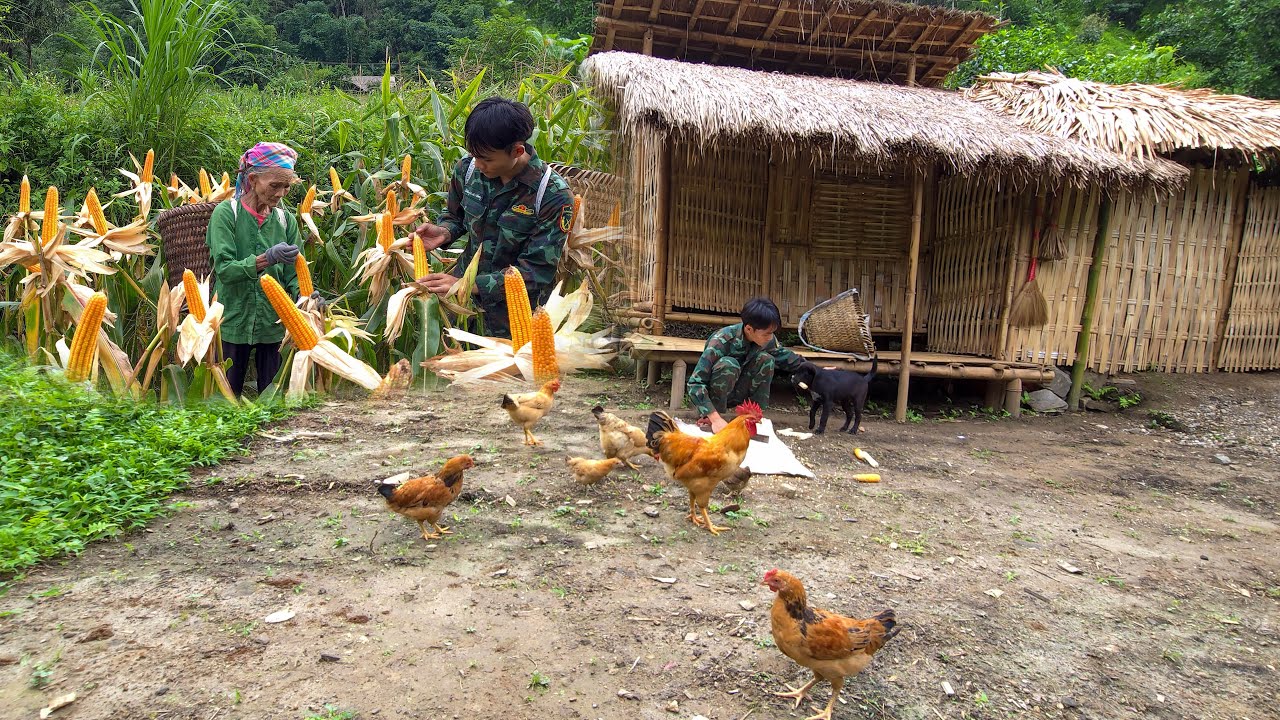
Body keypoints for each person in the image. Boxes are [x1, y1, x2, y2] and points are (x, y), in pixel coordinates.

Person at [411, 97, 573, 338]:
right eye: (473, 155)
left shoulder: (552, 195)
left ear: (517, 151)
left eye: (486, 159)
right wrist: (444, 232)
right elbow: (455, 217)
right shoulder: (467, 170)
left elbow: (536, 271)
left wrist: (469, 285)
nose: (478, 164)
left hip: (514, 325)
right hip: (460, 310)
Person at [205, 141, 309, 397]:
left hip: (272, 323)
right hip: (232, 320)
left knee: (271, 397)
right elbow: (226, 270)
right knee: (227, 397)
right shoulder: (226, 214)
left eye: (286, 186)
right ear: (252, 179)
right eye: (274, 185)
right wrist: (266, 259)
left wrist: (306, 297)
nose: (281, 193)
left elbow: (295, 274)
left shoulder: (286, 221)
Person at [687, 297, 806, 432]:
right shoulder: (721, 341)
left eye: (772, 333)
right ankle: (713, 417)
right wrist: (715, 419)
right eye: (767, 333)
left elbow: (787, 358)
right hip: (715, 400)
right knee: (728, 365)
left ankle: (753, 416)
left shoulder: (766, 339)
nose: (770, 337)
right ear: (749, 328)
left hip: (740, 395)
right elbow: (695, 383)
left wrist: (818, 371)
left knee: (766, 359)